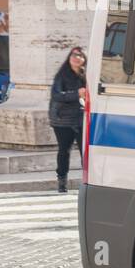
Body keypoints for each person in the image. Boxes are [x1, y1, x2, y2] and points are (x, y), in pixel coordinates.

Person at [49, 47, 87, 193]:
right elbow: (57, 95)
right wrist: (76, 94)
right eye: (74, 55)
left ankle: (87, 181)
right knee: (64, 150)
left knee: (86, 151)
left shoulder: (87, 75)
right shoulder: (62, 75)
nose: (76, 58)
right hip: (63, 119)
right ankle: (62, 182)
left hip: (81, 118)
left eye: (80, 55)